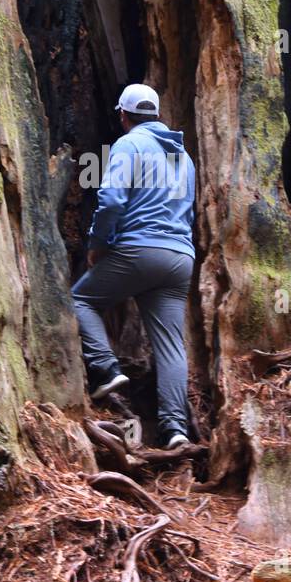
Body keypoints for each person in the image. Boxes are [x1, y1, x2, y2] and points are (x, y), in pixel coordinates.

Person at [72, 84, 196, 450]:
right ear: (156, 115)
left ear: (123, 117)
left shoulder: (129, 144)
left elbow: (110, 200)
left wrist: (98, 245)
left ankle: (106, 368)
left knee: (80, 300)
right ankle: (175, 429)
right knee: (171, 345)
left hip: (139, 251)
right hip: (179, 259)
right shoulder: (184, 158)